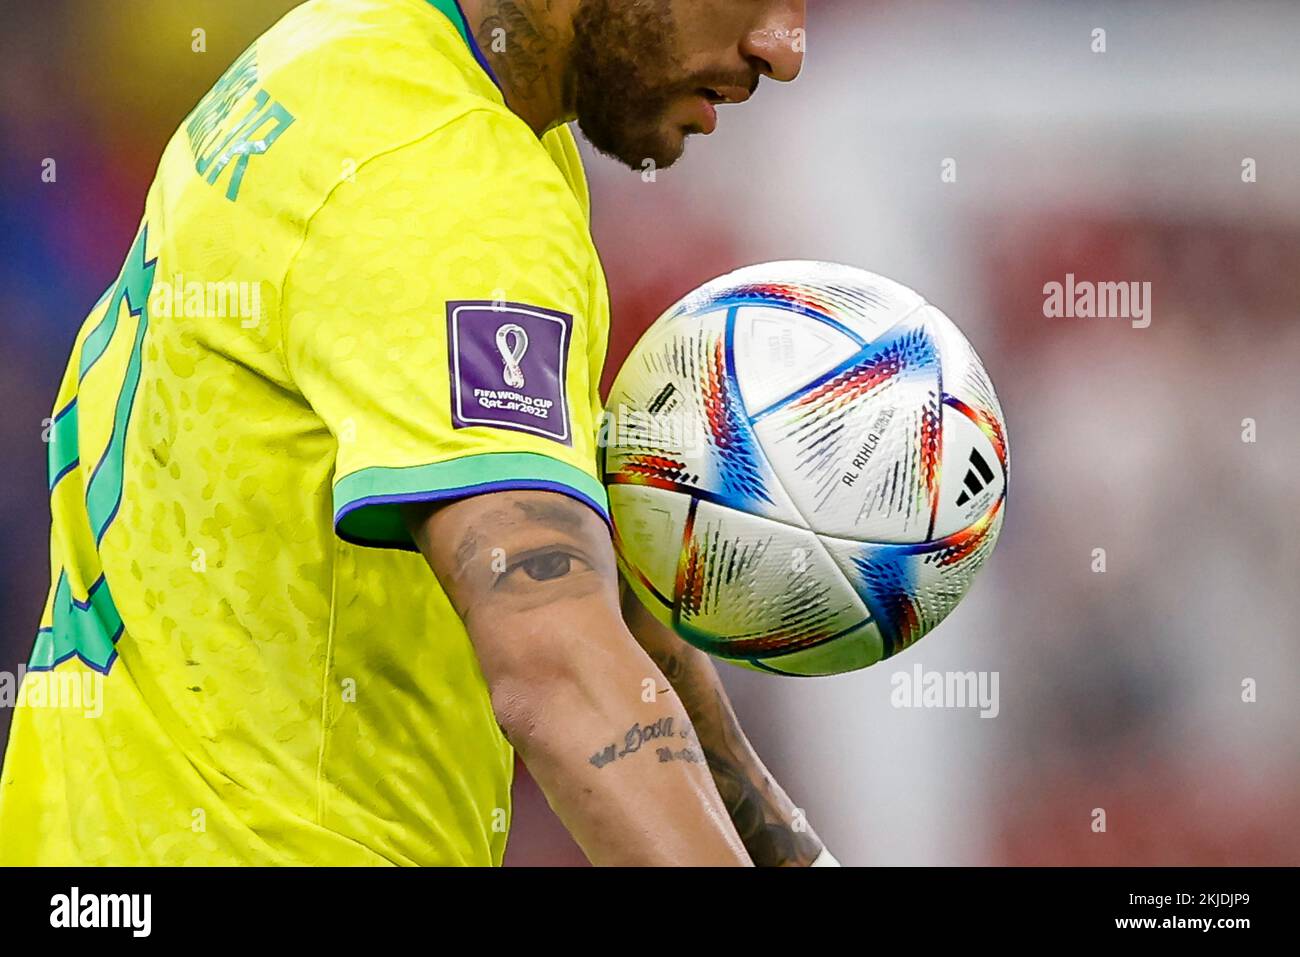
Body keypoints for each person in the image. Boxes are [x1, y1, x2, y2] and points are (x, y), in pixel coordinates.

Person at [0, 0, 832, 866]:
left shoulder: (347, 49)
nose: (784, 48)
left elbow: (569, 562)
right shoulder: (448, 181)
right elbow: (552, 653)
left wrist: (791, 851)